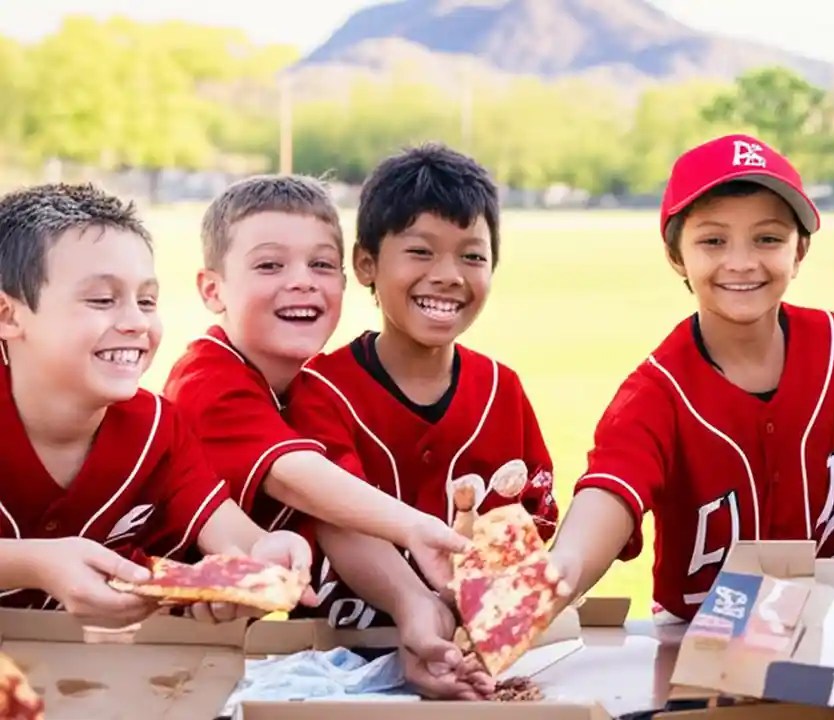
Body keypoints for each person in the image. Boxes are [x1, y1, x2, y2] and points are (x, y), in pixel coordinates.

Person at [549, 134, 834, 624]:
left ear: (799, 251)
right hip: (699, 637)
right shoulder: (658, 389)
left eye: (768, 238)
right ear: (677, 256)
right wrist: (554, 578)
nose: (741, 262)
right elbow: (611, 492)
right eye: (713, 240)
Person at [284, 144, 558, 699]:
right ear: (366, 264)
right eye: (420, 251)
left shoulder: (502, 390)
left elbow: (530, 531)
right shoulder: (320, 389)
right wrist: (414, 606)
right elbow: (339, 521)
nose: (448, 275)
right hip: (338, 665)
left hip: (472, 667)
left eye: (472, 257)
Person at [0, 182, 314, 626]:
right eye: (102, 300)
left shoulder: (156, 428)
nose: (135, 322)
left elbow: (238, 540)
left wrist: (268, 557)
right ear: (8, 315)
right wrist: (33, 563)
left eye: (147, 301)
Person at [163, 174, 466, 589]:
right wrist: (413, 525)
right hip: (146, 631)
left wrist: (414, 604)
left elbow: (342, 511)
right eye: (270, 265)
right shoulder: (205, 379)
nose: (302, 281)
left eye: (321, 264)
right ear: (213, 290)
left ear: (343, 282)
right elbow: (296, 476)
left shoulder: (312, 388)